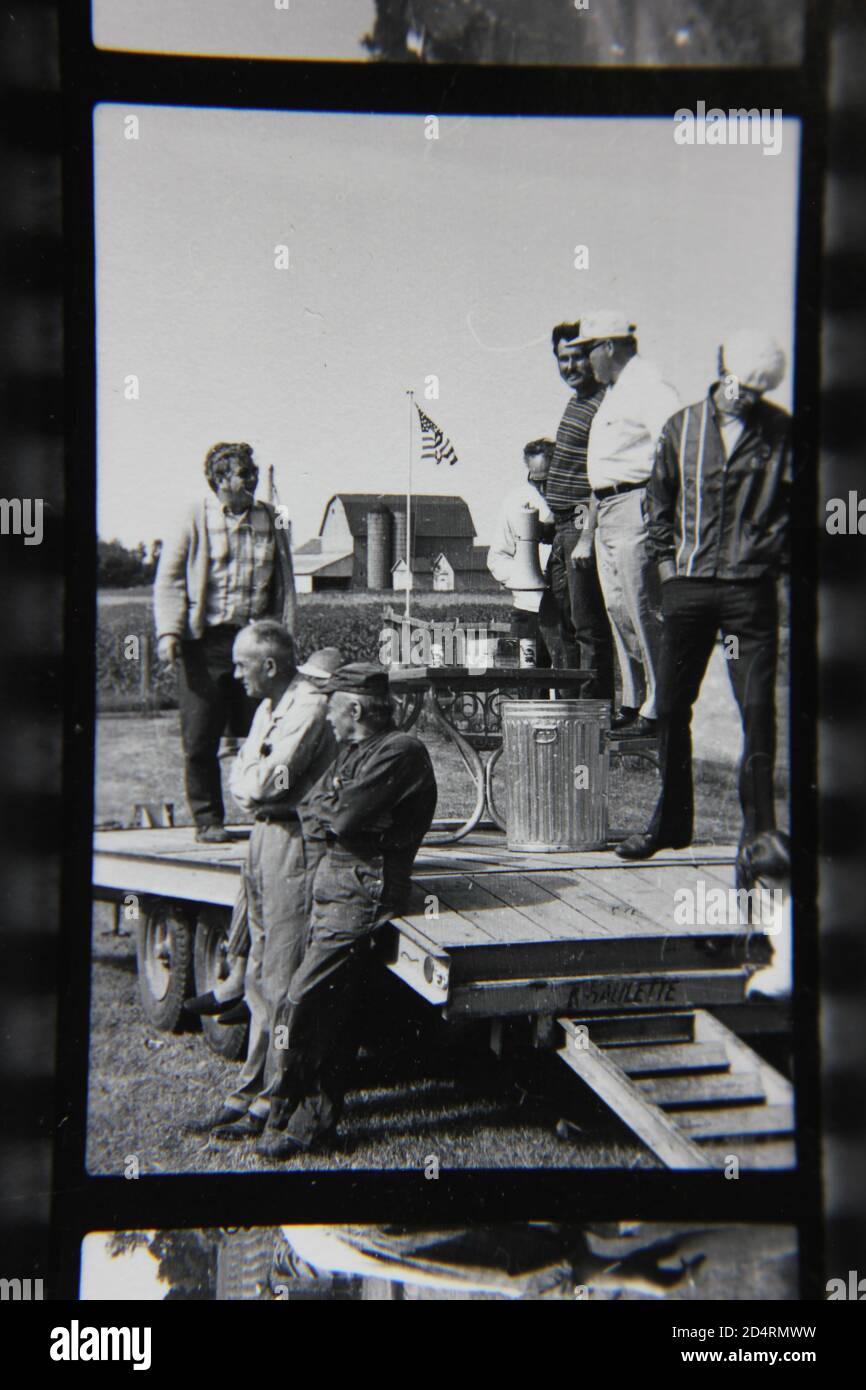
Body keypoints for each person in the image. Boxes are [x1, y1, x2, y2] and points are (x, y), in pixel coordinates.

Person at [617, 331, 791, 859]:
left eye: (758, 391)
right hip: (688, 588)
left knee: (758, 709)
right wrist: (669, 572)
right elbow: (658, 504)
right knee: (669, 706)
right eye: (740, 384)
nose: (745, 398)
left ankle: (759, 834)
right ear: (721, 369)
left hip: (750, 591)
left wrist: (773, 562)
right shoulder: (681, 428)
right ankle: (670, 825)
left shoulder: (783, 434)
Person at [256, 663, 438, 1158]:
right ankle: (311, 1124)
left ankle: (281, 1106)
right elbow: (313, 810)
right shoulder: (354, 752)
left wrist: (339, 809)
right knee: (329, 1006)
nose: (328, 721)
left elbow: (342, 816)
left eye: (333, 711)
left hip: (364, 890)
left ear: (355, 709)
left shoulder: (401, 752)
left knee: (304, 999)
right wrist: (337, 810)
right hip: (335, 885)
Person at [184, 631, 343, 1139]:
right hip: (264, 835)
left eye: (241, 665)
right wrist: (253, 784)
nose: (234, 675)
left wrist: (253, 784)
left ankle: (273, 1100)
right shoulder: (268, 707)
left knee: (279, 980)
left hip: (296, 843)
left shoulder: (308, 710)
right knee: (255, 973)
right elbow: (246, 785)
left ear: (270, 666)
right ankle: (248, 1091)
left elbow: (257, 782)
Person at [154, 442, 296, 843]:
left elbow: (285, 584)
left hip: (254, 642)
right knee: (200, 736)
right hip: (205, 643)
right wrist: (169, 633)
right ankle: (208, 820)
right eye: (241, 474)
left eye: (252, 473)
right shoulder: (194, 517)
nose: (250, 480)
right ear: (219, 480)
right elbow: (170, 578)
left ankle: (269, 812)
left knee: (264, 731)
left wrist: (283, 637)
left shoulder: (272, 518)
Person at [577, 311, 680, 735]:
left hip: (636, 500)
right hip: (608, 508)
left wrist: (658, 505)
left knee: (642, 605)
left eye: (589, 352)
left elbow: (671, 440)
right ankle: (635, 699)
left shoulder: (648, 385)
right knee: (618, 606)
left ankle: (658, 704)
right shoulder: (616, 392)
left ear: (609, 346)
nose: (586, 362)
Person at [545, 323, 615, 695]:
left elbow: (599, 478)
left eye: (577, 358)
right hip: (560, 526)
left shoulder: (604, 403)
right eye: (563, 359)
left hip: (579, 525)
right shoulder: (576, 401)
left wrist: (586, 535)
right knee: (566, 624)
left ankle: (594, 714)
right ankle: (573, 710)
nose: (570, 366)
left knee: (588, 626)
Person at [486, 437, 558, 665]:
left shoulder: (575, 503)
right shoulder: (513, 502)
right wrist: (524, 576)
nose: (544, 488)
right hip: (529, 610)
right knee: (529, 684)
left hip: (565, 611)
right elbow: (497, 558)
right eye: (538, 481)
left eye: (549, 479)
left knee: (567, 686)